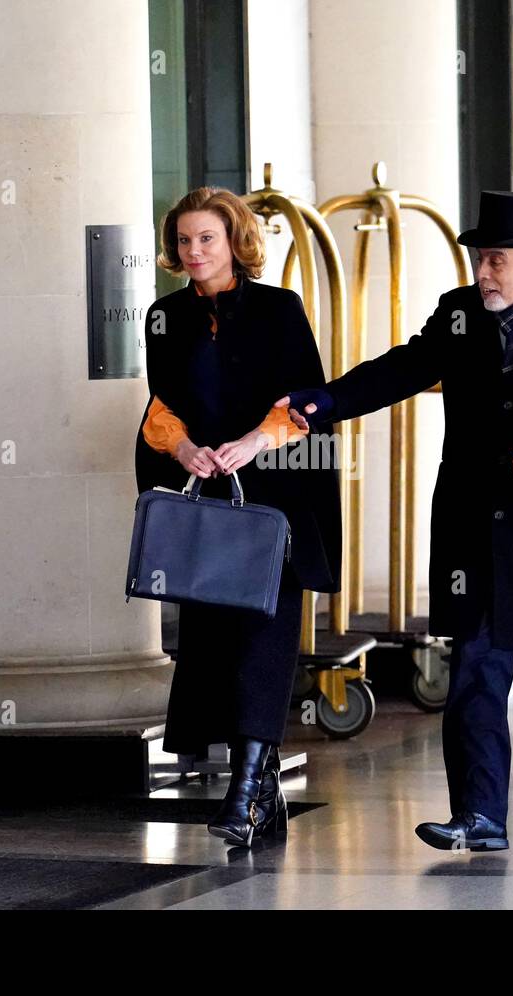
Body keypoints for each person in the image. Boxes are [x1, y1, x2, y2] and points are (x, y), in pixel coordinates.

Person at [277, 191, 513, 851]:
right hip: (477, 530)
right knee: (474, 666)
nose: (484, 272)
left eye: (497, 260)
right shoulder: (460, 314)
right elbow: (405, 368)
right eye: (480, 259)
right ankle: (480, 815)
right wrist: (327, 400)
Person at [135, 187, 341, 847]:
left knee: (265, 638)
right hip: (209, 505)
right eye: (186, 240)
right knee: (217, 645)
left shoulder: (280, 310)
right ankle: (265, 792)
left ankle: (244, 794)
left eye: (207, 239)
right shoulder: (164, 316)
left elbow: (306, 403)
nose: (194, 252)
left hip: (276, 498)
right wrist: (183, 446)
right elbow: (160, 406)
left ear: (234, 243)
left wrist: (255, 440)